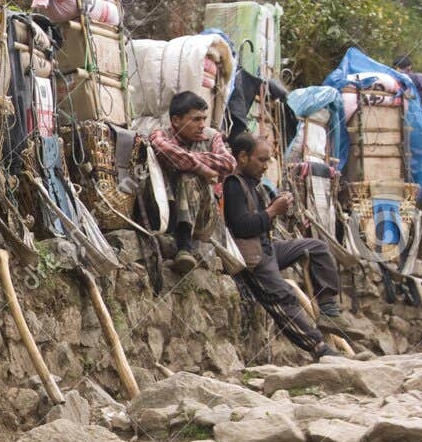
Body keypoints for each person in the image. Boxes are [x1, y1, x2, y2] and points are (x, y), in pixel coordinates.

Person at [223, 131, 343, 360]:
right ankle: (317, 347)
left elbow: (258, 221)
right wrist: (272, 211)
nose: (266, 166)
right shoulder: (234, 185)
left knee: (316, 247)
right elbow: (241, 227)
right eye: (261, 160)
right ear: (242, 157)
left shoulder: (253, 184)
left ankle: (328, 309)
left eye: (268, 160)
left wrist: (274, 209)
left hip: (266, 248)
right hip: (251, 256)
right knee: (283, 296)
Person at [147, 91, 236, 274]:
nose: (202, 125)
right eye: (195, 119)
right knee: (182, 175)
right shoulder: (160, 135)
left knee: (187, 176)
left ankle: (184, 247)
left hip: (203, 217)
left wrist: (189, 161)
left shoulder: (212, 136)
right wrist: (202, 168)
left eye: (204, 119)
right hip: (167, 212)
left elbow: (229, 164)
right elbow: (161, 147)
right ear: (176, 120)